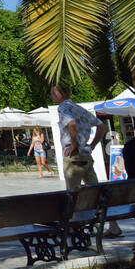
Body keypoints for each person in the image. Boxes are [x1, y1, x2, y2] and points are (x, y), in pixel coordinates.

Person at [51, 84, 121, 237]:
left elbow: (71, 124)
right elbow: (101, 126)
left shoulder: (63, 108)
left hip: (74, 155)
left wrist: (74, 144)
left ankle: (72, 227)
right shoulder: (78, 108)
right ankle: (113, 225)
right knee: (96, 191)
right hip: (86, 155)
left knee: (72, 193)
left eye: (53, 92)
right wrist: (93, 144)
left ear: (60, 94)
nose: (51, 95)